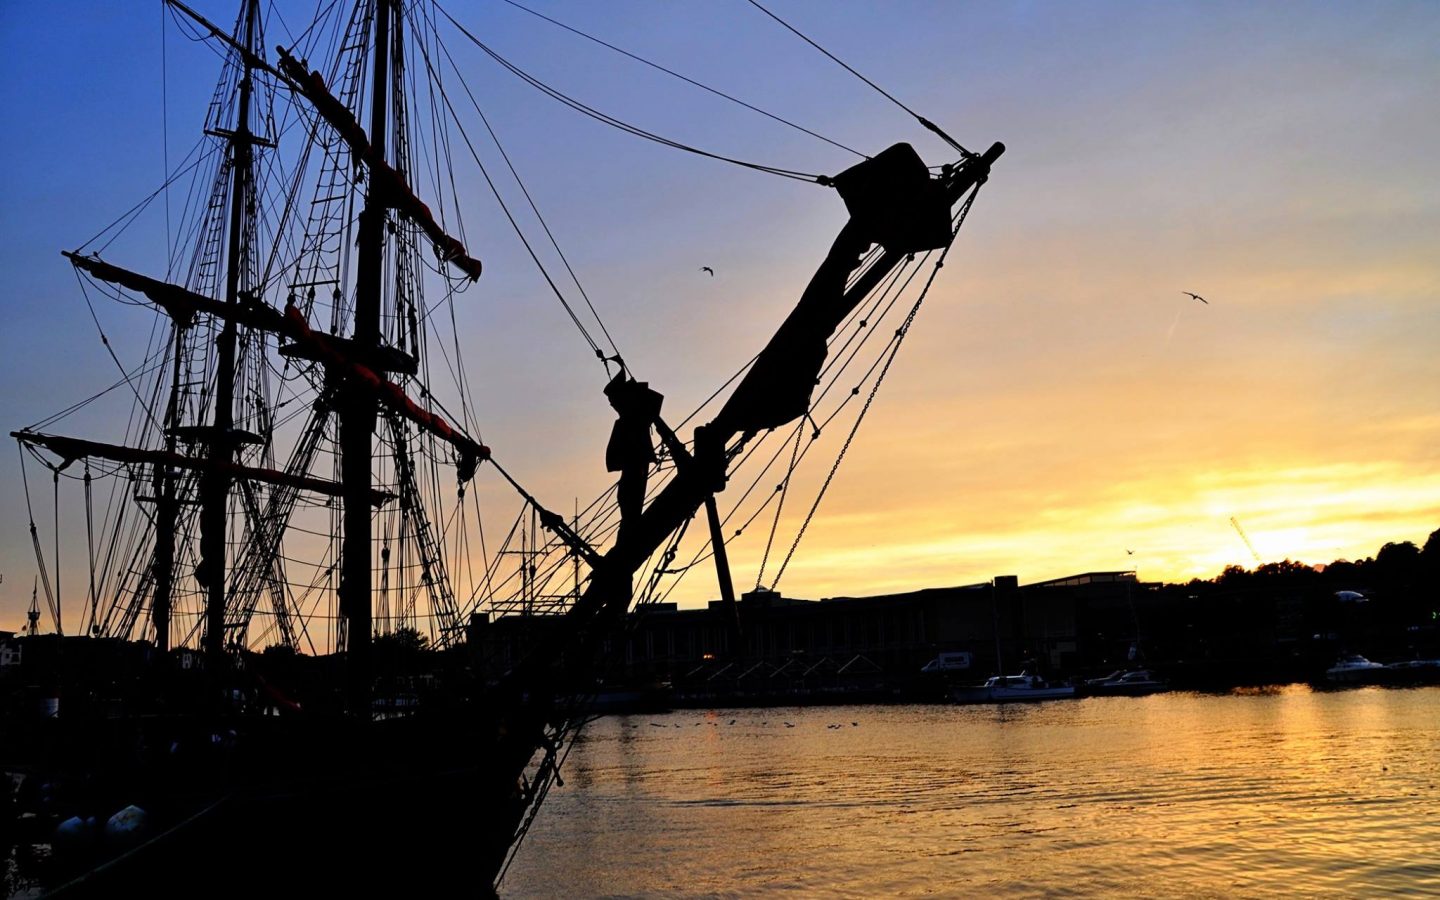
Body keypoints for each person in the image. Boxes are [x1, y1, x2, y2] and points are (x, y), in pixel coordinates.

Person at [603, 371, 663, 545]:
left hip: (633, 471)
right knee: (628, 508)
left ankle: (626, 540)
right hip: (632, 471)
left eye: (613, 400)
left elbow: (616, 457)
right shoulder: (632, 420)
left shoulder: (631, 422)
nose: (612, 404)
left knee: (629, 510)